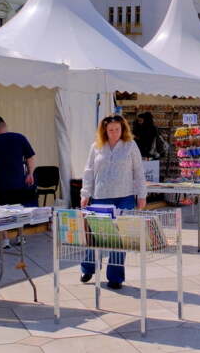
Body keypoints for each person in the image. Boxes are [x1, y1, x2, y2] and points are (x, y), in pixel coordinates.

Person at [79, 114, 147, 289]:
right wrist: (85, 193)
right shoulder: (96, 147)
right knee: (97, 235)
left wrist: (142, 195)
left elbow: (139, 171)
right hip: (101, 196)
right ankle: (88, 268)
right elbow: (88, 171)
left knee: (119, 238)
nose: (115, 133)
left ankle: (115, 277)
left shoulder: (130, 146)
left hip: (125, 197)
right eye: (111, 130)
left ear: (123, 128)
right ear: (105, 131)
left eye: (117, 129)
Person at [0, 116, 36, 205]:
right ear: (5, 125)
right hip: (19, 185)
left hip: (1, 187)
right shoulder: (20, 138)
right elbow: (30, 157)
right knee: (19, 210)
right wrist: (30, 174)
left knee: (2, 212)